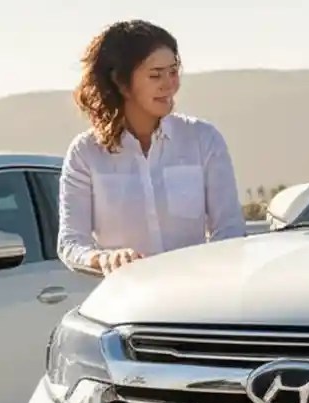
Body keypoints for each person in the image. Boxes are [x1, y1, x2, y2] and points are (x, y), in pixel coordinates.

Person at [57, 20, 245, 275]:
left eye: (173, 71)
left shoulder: (204, 139)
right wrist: (103, 259)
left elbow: (230, 230)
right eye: (155, 75)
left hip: (197, 298)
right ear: (121, 82)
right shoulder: (85, 153)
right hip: (126, 304)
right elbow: (70, 243)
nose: (170, 84)